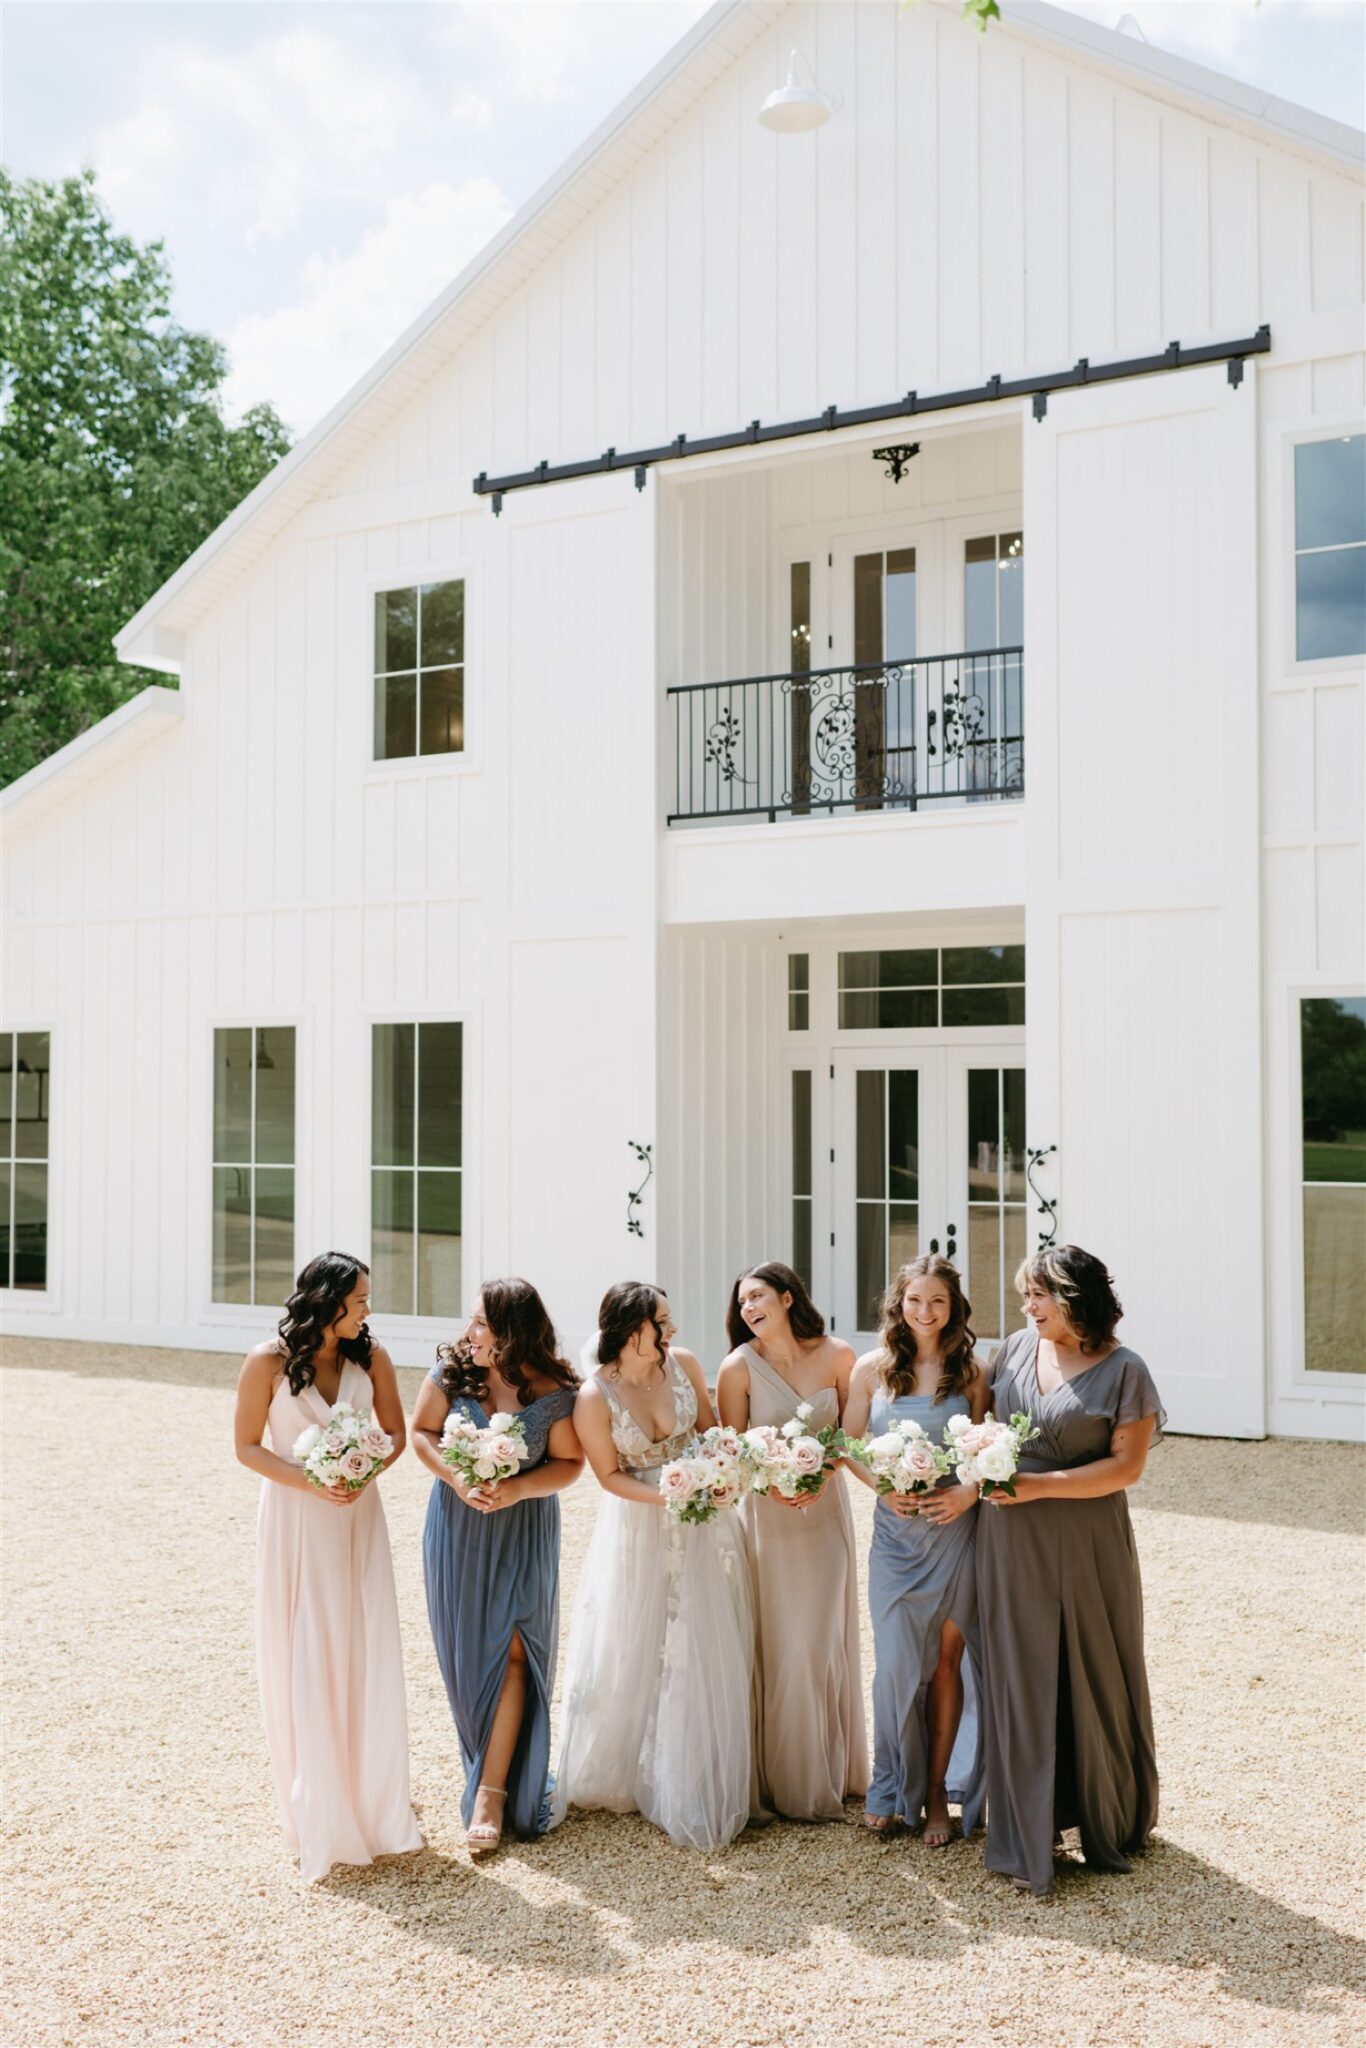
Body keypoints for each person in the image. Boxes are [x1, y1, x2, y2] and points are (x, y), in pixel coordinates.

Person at [975, 1244, 1165, 1895]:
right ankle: (1029, 1831)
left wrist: (1037, 1486)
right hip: (1010, 1540)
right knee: (1021, 1672)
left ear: (1073, 1298)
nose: (1028, 1307)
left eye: (1038, 1295)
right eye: (1025, 1295)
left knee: (1095, 1665)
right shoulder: (1011, 1350)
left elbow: (1126, 1467)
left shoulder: (1125, 1370)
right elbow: (977, 1426)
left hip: (1088, 1538)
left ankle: (1108, 1814)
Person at [233, 1251, 422, 1882]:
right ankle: (318, 1802)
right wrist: (312, 1481)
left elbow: (396, 1435)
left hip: (357, 1518)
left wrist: (362, 1470)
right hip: (297, 1518)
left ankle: (371, 1796)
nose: (368, 1309)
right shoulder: (266, 1362)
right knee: (308, 1644)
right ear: (327, 1300)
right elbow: (246, 1447)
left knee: (361, 1641)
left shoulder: (373, 1358)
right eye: (360, 1299)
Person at [552, 1283, 758, 1850]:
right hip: (641, 1523)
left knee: (701, 1632)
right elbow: (608, 1476)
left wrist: (718, 1476)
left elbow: (713, 1434)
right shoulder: (595, 1395)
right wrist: (671, 1497)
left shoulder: (684, 1363)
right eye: (661, 1322)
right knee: (638, 1636)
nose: (672, 1329)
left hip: (705, 1519)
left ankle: (695, 1766)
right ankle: (633, 1765)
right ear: (629, 1328)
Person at [411, 1278, 583, 1857]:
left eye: (482, 1323)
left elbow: (569, 1463)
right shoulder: (452, 1372)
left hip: (523, 1530)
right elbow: (421, 1432)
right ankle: (489, 1760)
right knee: (468, 1661)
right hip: (457, 1530)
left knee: (514, 1652)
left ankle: (490, 1794)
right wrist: (457, 1478)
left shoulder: (554, 1391)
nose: (470, 1332)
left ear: (513, 1332)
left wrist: (518, 1490)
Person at [843, 1255, 991, 1843]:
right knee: (896, 1668)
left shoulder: (973, 1372)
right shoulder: (870, 1369)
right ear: (897, 1305)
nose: (925, 1311)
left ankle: (934, 1793)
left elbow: (988, 1449)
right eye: (914, 1300)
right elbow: (847, 1444)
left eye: (937, 1301)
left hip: (955, 1533)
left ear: (953, 1308)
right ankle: (887, 1781)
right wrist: (880, 1485)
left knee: (945, 1665)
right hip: (895, 1537)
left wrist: (969, 1494)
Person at [717, 1262, 867, 1820]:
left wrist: (824, 1472)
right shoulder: (738, 1367)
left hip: (825, 1514)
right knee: (781, 1644)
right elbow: (732, 1452)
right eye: (742, 1302)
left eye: (758, 1296)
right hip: (769, 1520)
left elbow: (852, 1434)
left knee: (819, 1640)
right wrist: (770, 1483)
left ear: (786, 1298)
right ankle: (783, 1781)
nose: (749, 1308)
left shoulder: (838, 1355)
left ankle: (829, 1772)